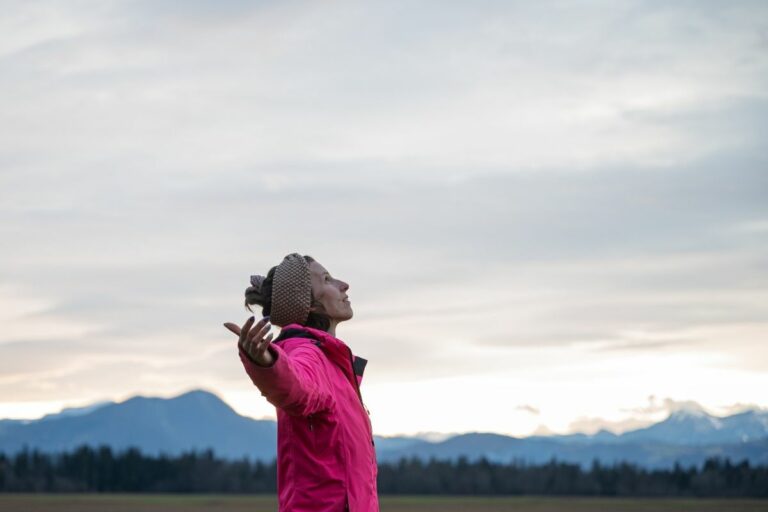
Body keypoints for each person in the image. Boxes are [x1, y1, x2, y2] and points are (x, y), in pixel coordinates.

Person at [224, 253, 378, 511]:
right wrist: (266, 362)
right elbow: (296, 388)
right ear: (310, 304)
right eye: (327, 280)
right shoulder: (308, 354)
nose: (344, 285)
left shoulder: (332, 362)